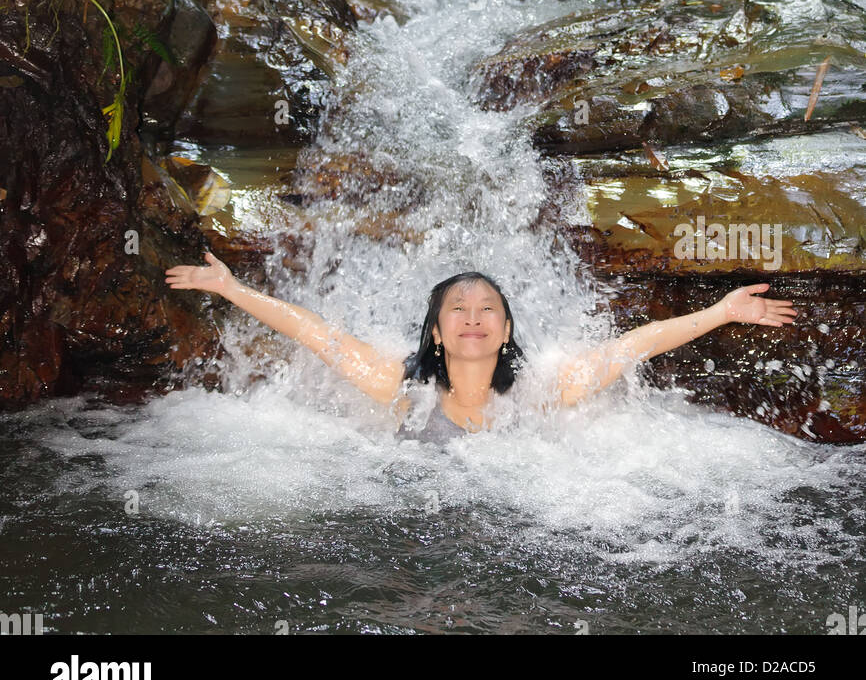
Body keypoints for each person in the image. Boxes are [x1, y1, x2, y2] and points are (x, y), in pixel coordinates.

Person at [165, 252, 797, 444]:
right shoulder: (403, 390)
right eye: (458, 311)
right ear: (436, 332)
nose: (474, 318)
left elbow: (632, 347)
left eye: (487, 309)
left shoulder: (542, 390)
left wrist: (718, 313)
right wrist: (231, 287)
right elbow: (317, 335)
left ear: (507, 328)